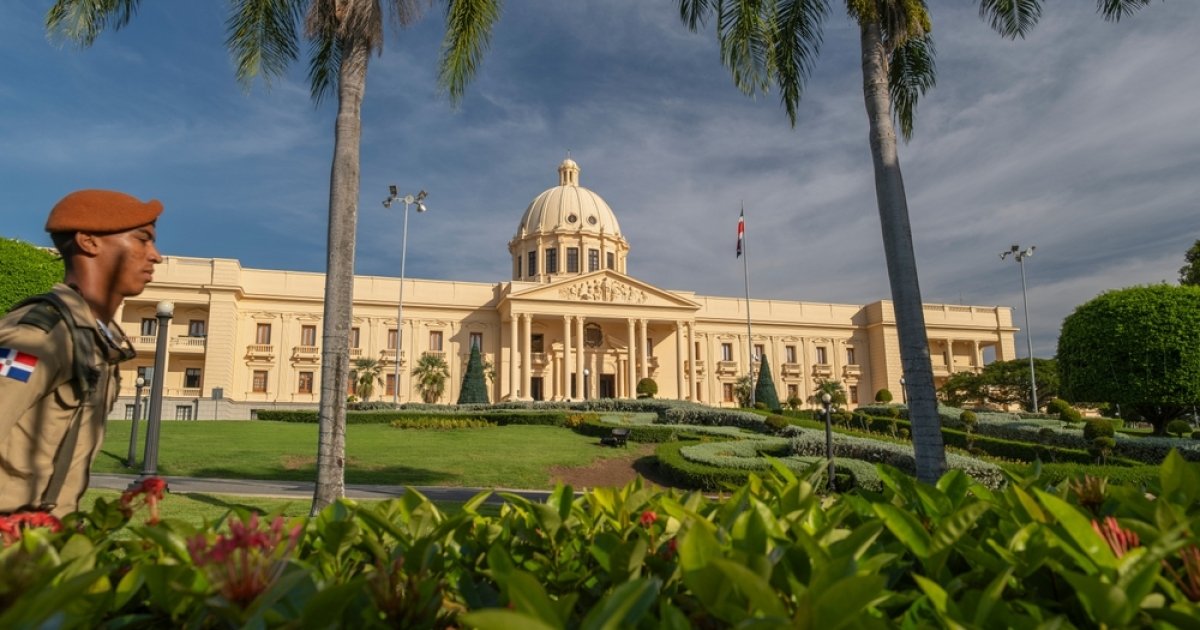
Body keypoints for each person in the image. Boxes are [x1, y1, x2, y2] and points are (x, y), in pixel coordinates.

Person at [0, 189, 163, 517]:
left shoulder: (95, 342)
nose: (155, 256)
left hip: (43, 542)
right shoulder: (39, 335)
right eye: (143, 239)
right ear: (89, 242)